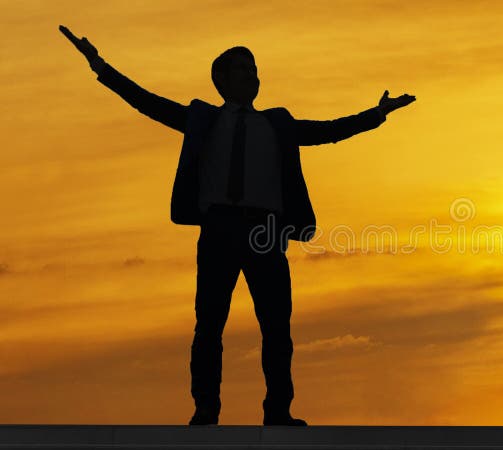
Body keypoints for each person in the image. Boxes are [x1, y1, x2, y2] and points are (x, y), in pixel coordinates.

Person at [60, 25, 415, 427]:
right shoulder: (202, 118)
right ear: (221, 79)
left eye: (255, 70)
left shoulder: (278, 123)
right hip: (219, 230)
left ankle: (278, 411)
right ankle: (205, 409)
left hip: (266, 233)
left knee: (276, 327)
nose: (252, 76)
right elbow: (146, 102)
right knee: (209, 325)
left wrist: (377, 114)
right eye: (243, 69)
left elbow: (329, 131)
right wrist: (100, 65)